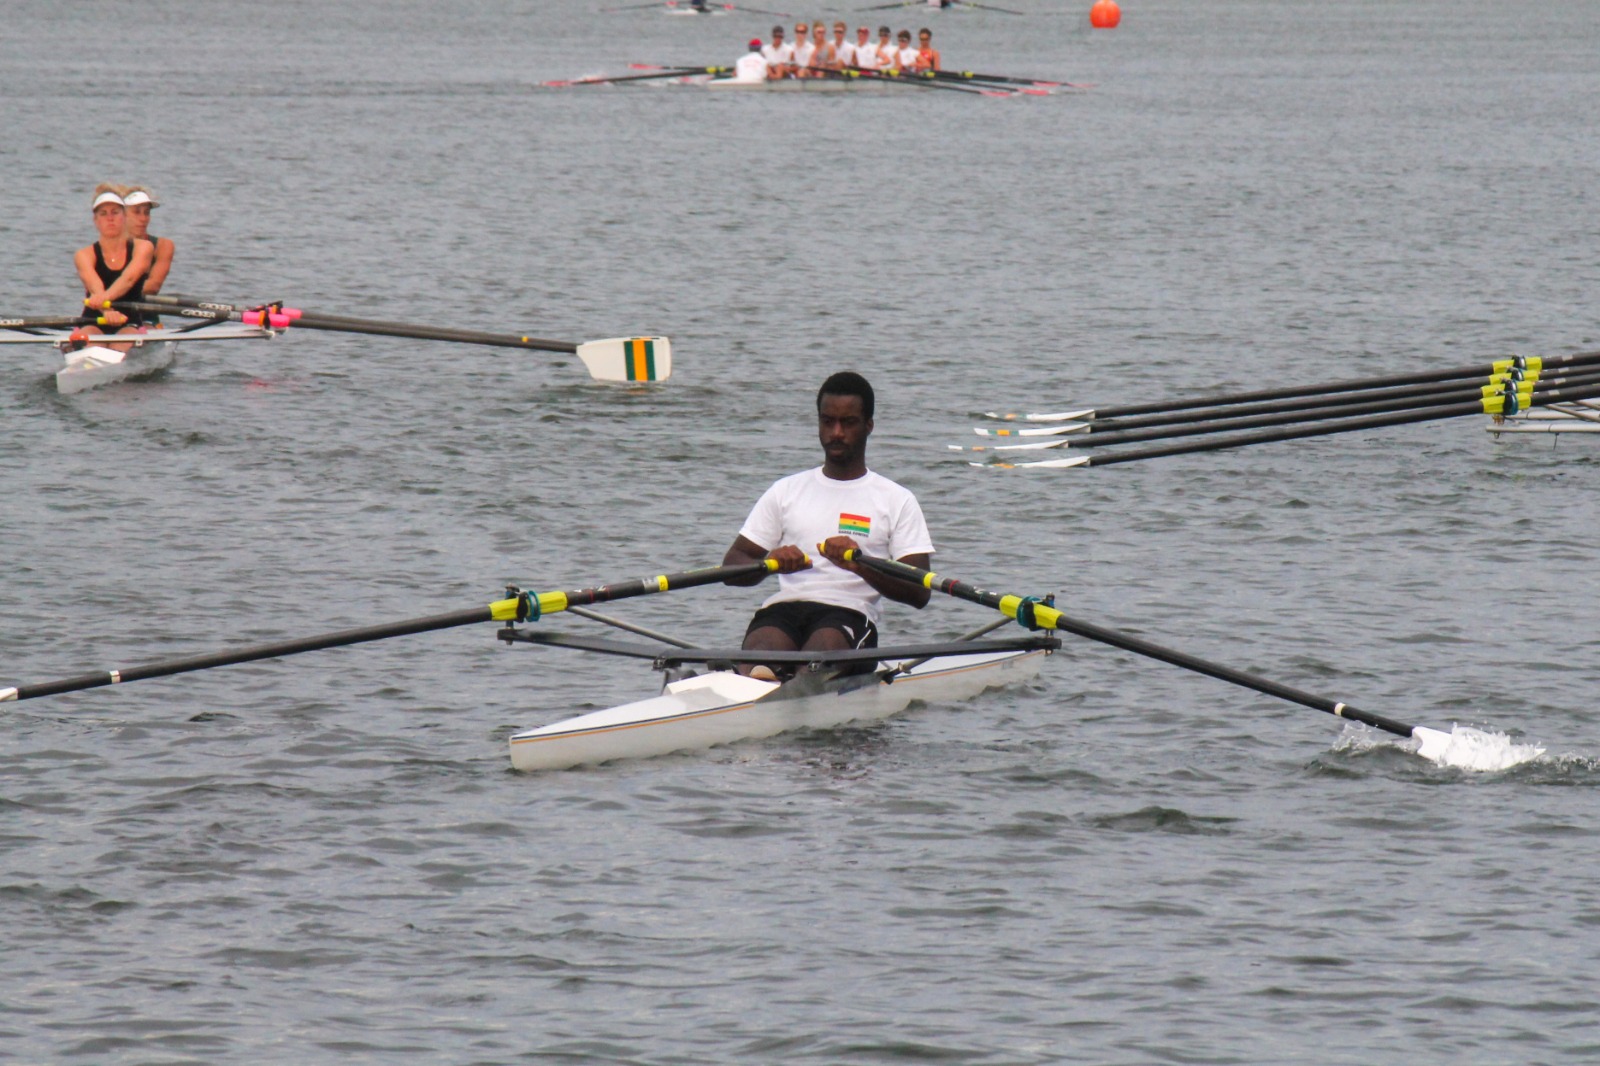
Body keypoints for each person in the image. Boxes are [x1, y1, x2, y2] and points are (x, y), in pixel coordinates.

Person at [723, 372, 933, 680]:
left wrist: (860, 565)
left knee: (819, 654)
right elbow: (733, 565)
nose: (836, 433)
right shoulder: (786, 491)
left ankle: (793, 687)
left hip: (850, 614)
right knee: (761, 653)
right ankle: (757, 683)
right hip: (784, 609)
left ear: (868, 426)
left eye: (848, 423)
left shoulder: (896, 500)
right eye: (827, 421)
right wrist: (769, 565)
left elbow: (919, 592)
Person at [72, 185, 153, 345]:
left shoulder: (143, 248)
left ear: (124, 217)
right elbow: (95, 286)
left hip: (129, 321)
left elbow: (128, 279)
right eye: (103, 214)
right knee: (90, 338)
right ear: (96, 221)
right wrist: (107, 311)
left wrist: (102, 299)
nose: (110, 218)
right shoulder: (84, 255)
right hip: (92, 319)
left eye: (115, 213)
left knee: (121, 342)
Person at [123, 187, 174, 297]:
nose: (143, 218)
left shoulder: (163, 246)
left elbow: (153, 286)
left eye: (146, 213)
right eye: (136, 212)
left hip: (144, 311)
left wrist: (113, 291)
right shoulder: (107, 245)